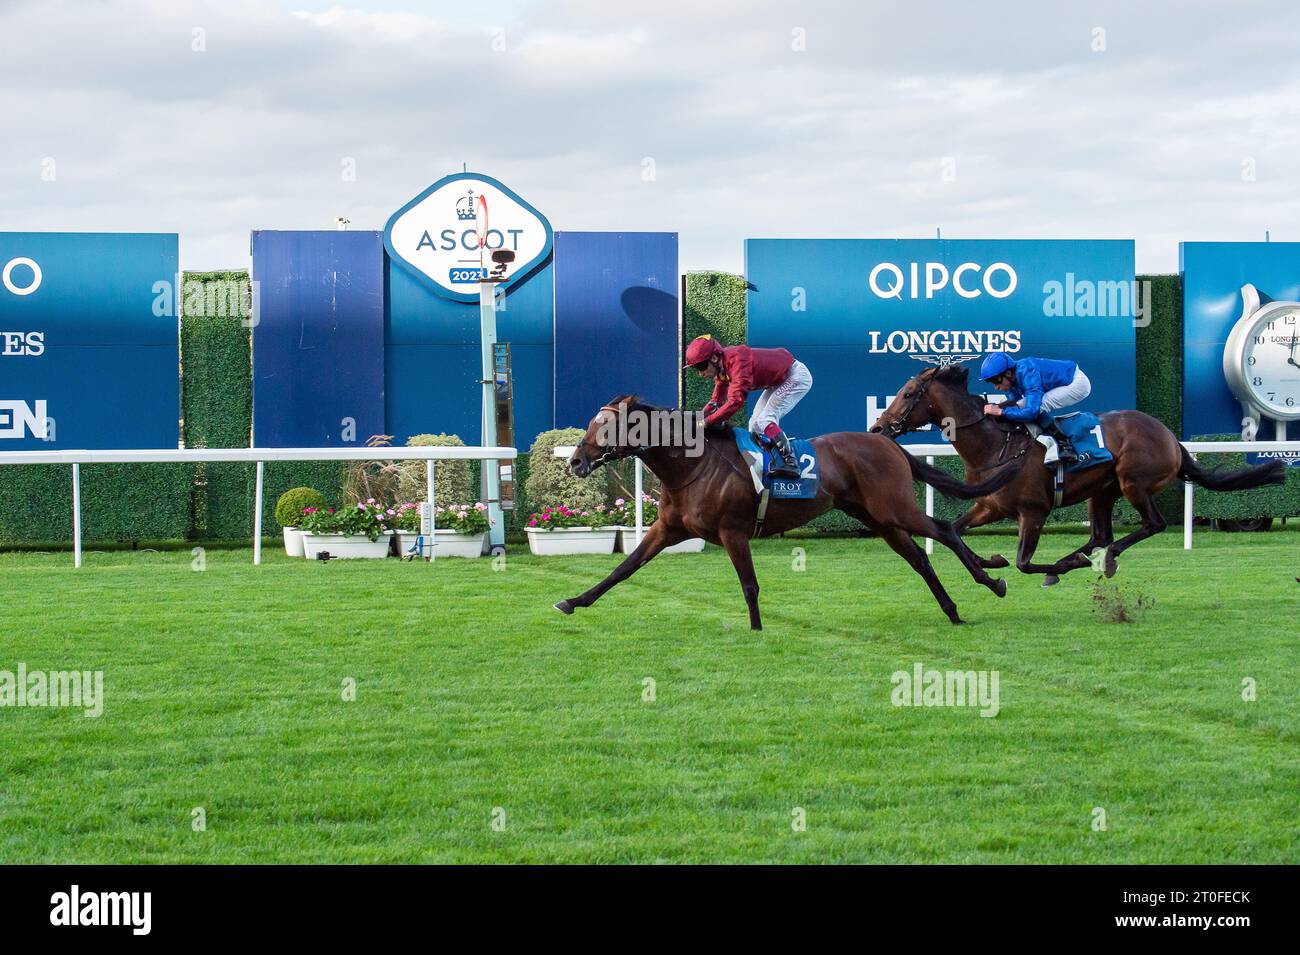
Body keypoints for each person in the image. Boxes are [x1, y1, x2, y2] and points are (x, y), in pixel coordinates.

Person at [684, 335, 812, 478]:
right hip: (780, 380)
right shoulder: (722, 365)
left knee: (765, 419)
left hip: (795, 376)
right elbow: (716, 401)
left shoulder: (737, 362)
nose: (700, 373)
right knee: (754, 425)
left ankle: (791, 463)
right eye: (696, 368)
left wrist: (706, 422)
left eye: (701, 366)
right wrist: (699, 419)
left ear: (714, 358)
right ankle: (765, 463)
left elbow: (735, 402)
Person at [979, 351, 1091, 464]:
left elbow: (1032, 412)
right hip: (1066, 380)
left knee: (1040, 405)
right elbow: (1015, 404)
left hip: (1077, 383)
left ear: (1008, 373)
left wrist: (1001, 411)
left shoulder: (1028, 372)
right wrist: (999, 410)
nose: (996, 387)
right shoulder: (1013, 380)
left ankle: (1065, 446)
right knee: (1020, 406)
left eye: (996, 381)